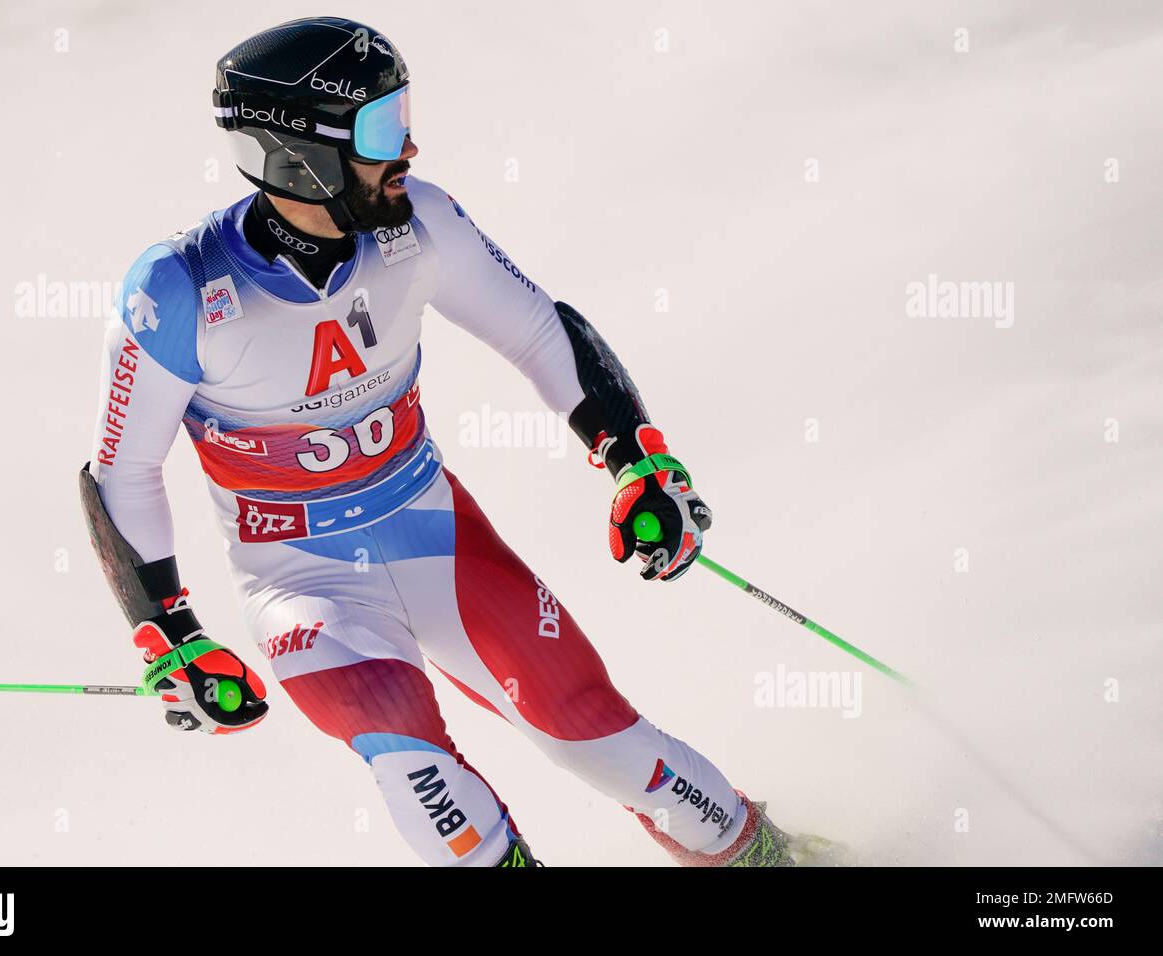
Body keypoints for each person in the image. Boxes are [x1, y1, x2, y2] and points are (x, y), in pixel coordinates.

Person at [81, 15, 792, 867]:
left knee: (596, 732)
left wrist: (634, 458)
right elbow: (122, 471)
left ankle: (780, 858)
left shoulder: (418, 223)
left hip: (435, 536)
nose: (408, 146)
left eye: (403, 113)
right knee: (406, 745)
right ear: (299, 152)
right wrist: (171, 633)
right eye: (383, 126)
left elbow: (537, 331)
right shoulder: (180, 286)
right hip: (301, 583)